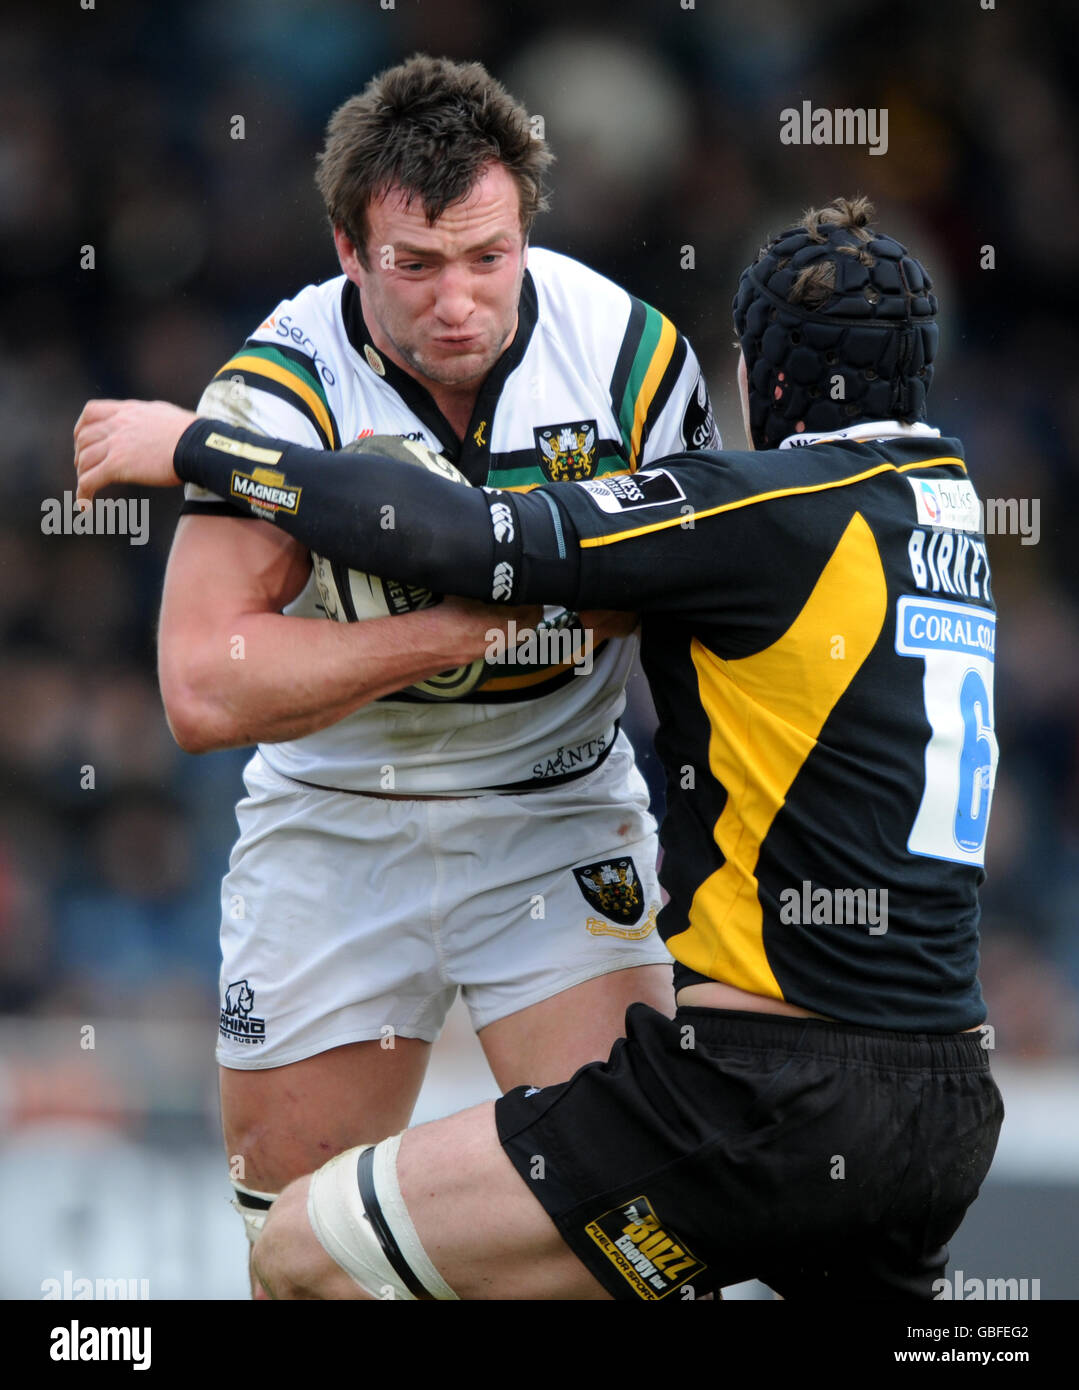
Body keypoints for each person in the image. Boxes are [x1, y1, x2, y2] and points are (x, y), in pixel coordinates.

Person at [74, 196, 1004, 1300]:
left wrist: (191, 443)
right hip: (947, 1101)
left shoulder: (759, 512)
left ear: (759, 381)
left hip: (757, 1099)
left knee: (300, 1252)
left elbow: (456, 530)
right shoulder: (952, 518)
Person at [106, 54, 718, 1288]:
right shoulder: (276, 388)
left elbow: (691, 603)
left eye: (487, 258)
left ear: (525, 232)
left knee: (638, 1220)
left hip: (556, 810)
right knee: (296, 1250)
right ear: (347, 248)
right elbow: (203, 684)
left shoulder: (631, 360)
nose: (458, 303)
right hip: (336, 820)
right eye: (417, 265)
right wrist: (452, 633)